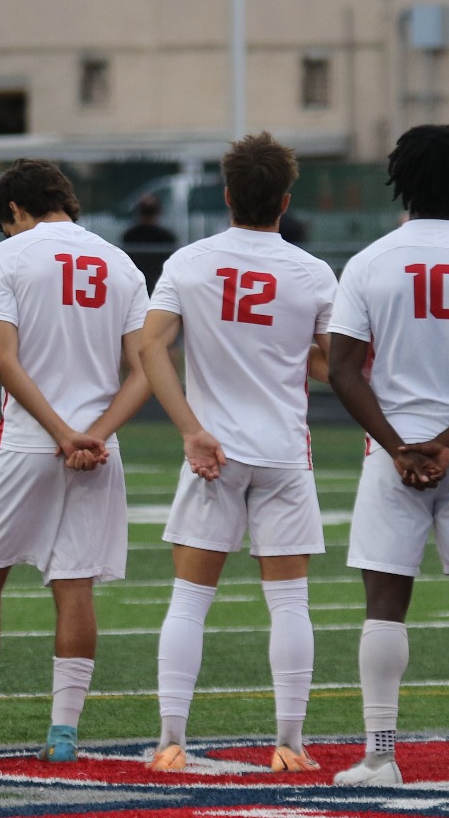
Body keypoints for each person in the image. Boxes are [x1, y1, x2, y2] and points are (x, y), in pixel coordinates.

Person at [324, 125, 449, 787]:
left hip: (392, 451)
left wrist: (397, 445)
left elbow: (343, 369)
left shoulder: (368, 262)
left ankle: (381, 756)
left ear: (399, 179)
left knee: (384, 601)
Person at [0, 160, 150, 765]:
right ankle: (63, 735)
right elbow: (147, 370)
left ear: (16, 212)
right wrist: (94, 435)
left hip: (30, 440)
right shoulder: (121, 263)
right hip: (97, 452)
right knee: (74, 584)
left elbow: (4, 360)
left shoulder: (12, 255)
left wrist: (59, 432)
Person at [138, 132, 336, 774]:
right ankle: (291, 743)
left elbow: (149, 349)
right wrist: (286, 353)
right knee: (289, 603)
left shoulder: (189, 262)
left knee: (189, 599)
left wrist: (190, 428)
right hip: (282, 452)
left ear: (226, 196)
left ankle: (171, 740)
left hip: (212, 452)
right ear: (285, 200)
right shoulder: (311, 272)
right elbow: (334, 365)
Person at [121, 194, 175, 293]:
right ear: (158, 212)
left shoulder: (130, 235)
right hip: (159, 283)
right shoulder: (166, 236)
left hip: (136, 283)